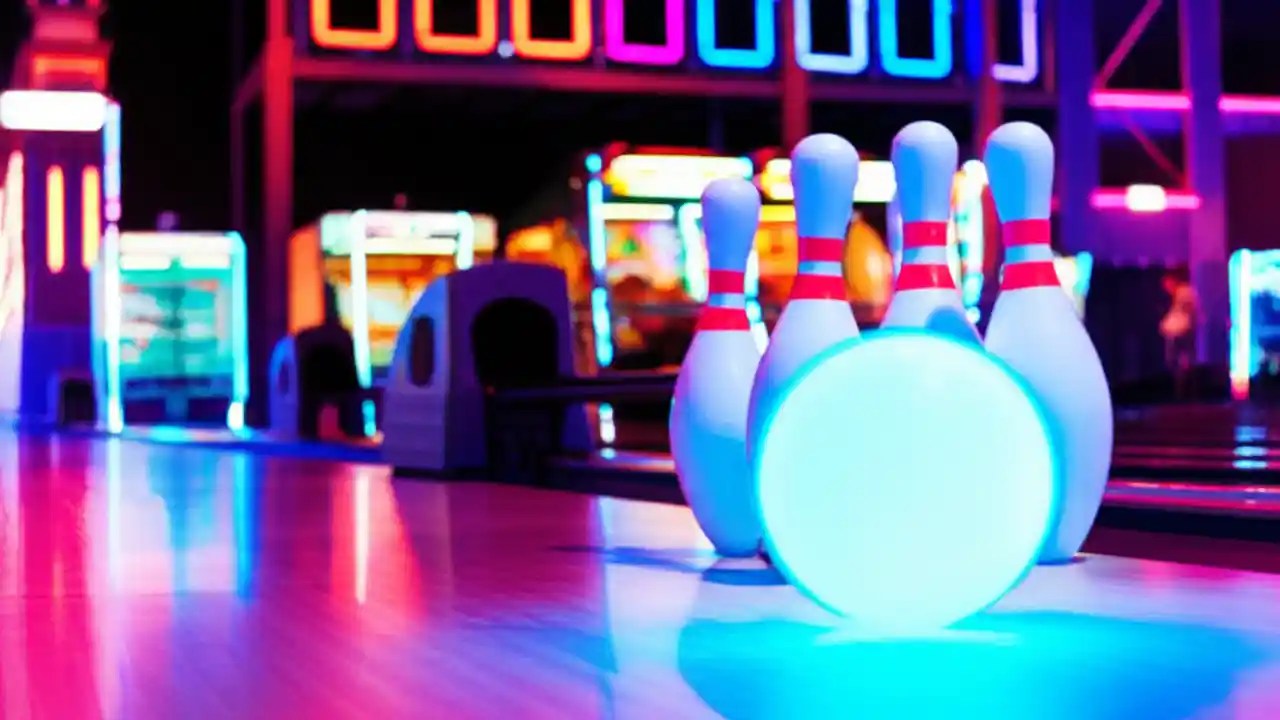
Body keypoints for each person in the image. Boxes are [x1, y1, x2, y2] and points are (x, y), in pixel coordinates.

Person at [1159, 271, 1198, 400]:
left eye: (1167, 284)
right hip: (1175, 333)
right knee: (1174, 363)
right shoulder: (1177, 297)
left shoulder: (1184, 292)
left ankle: (1183, 391)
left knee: (1181, 363)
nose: (1166, 288)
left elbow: (1190, 311)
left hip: (1181, 333)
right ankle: (1179, 389)